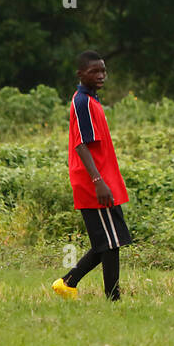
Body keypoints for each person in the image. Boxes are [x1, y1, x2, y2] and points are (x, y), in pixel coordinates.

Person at [52, 51, 131, 301]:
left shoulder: (92, 101)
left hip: (102, 180)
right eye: (94, 71)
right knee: (109, 242)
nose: (101, 76)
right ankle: (112, 297)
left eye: (103, 71)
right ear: (80, 74)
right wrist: (98, 182)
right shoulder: (83, 102)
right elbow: (81, 145)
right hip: (94, 182)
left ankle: (68, 283)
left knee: (110, 240)